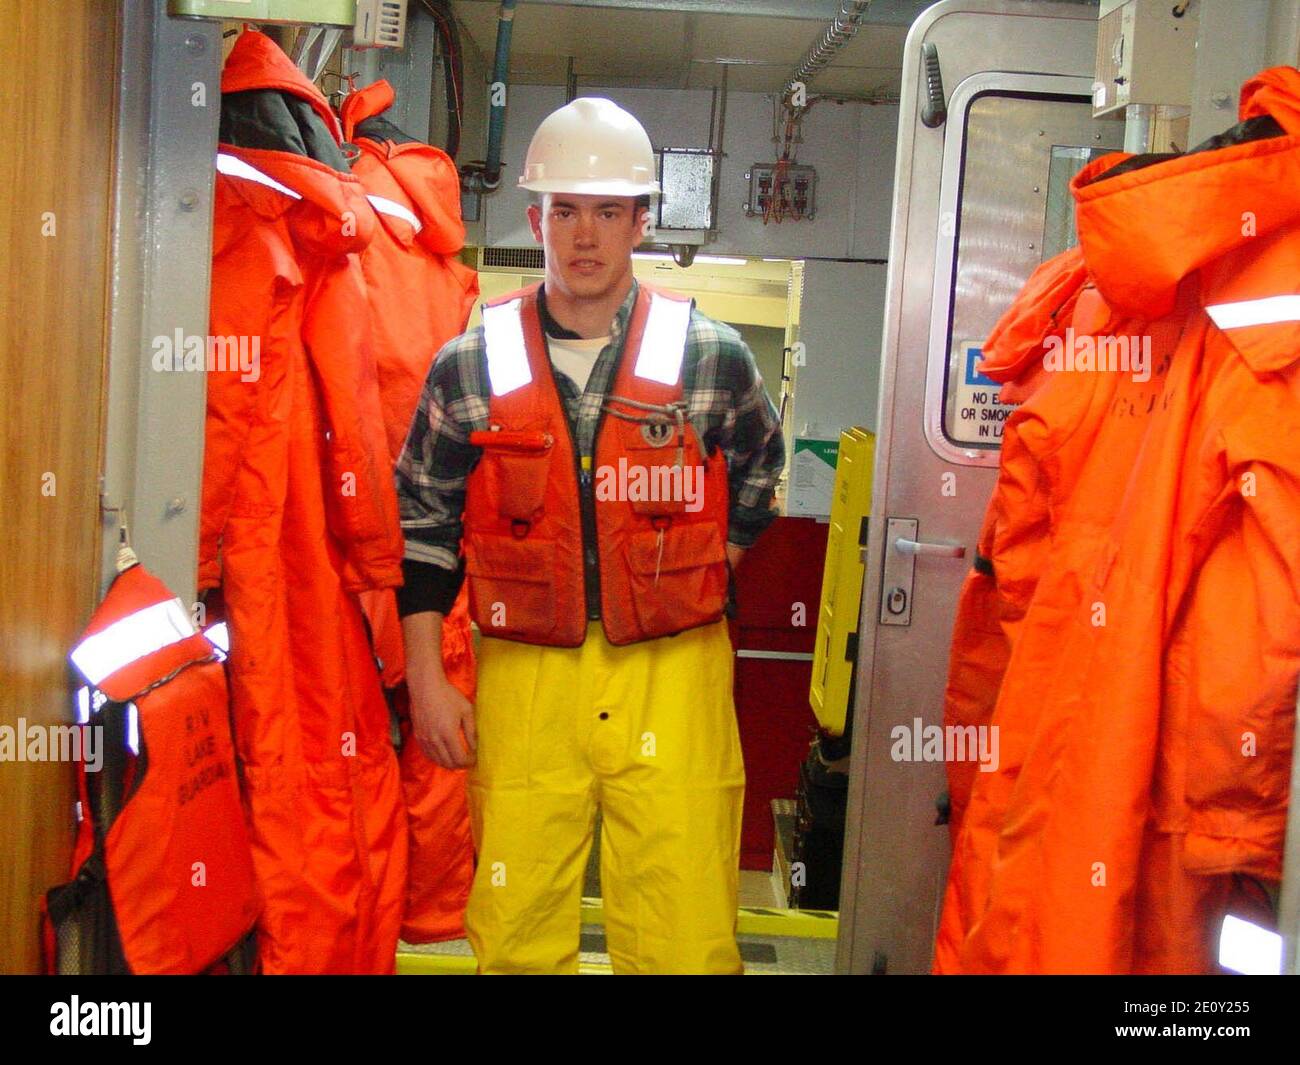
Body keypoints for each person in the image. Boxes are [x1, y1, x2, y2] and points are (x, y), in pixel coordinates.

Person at [395, 96, 785, 974]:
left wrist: (696, 571)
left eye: (608, 211)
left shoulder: (709, 356)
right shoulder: (470, 364)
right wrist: (426, 677)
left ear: (641, 221)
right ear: (534, 218)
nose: (585, 236)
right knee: (518, 931)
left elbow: (762, 468)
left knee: (685, 935)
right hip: (526, 679)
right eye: (565, 210)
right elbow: (421, 522)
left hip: (674, 678)